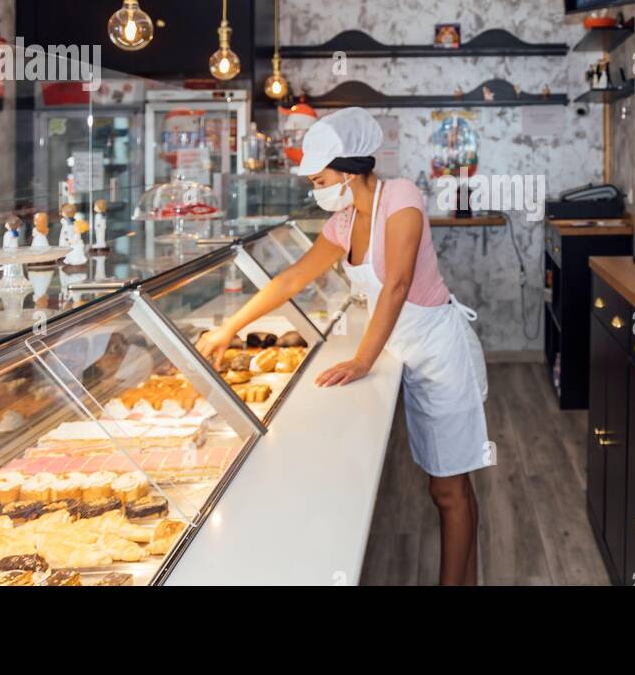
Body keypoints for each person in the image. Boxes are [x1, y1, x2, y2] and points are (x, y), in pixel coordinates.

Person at [196, 107, 490, 585]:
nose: (316, 188)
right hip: (401, 352)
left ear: (348, 169)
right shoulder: (345, 219)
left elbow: (395, 285)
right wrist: (230, 327)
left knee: (448, 489)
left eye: (319, 178)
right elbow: (293, 276)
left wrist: (361, 359)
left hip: (439, 353)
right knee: (443, 483)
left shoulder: (402, 199)